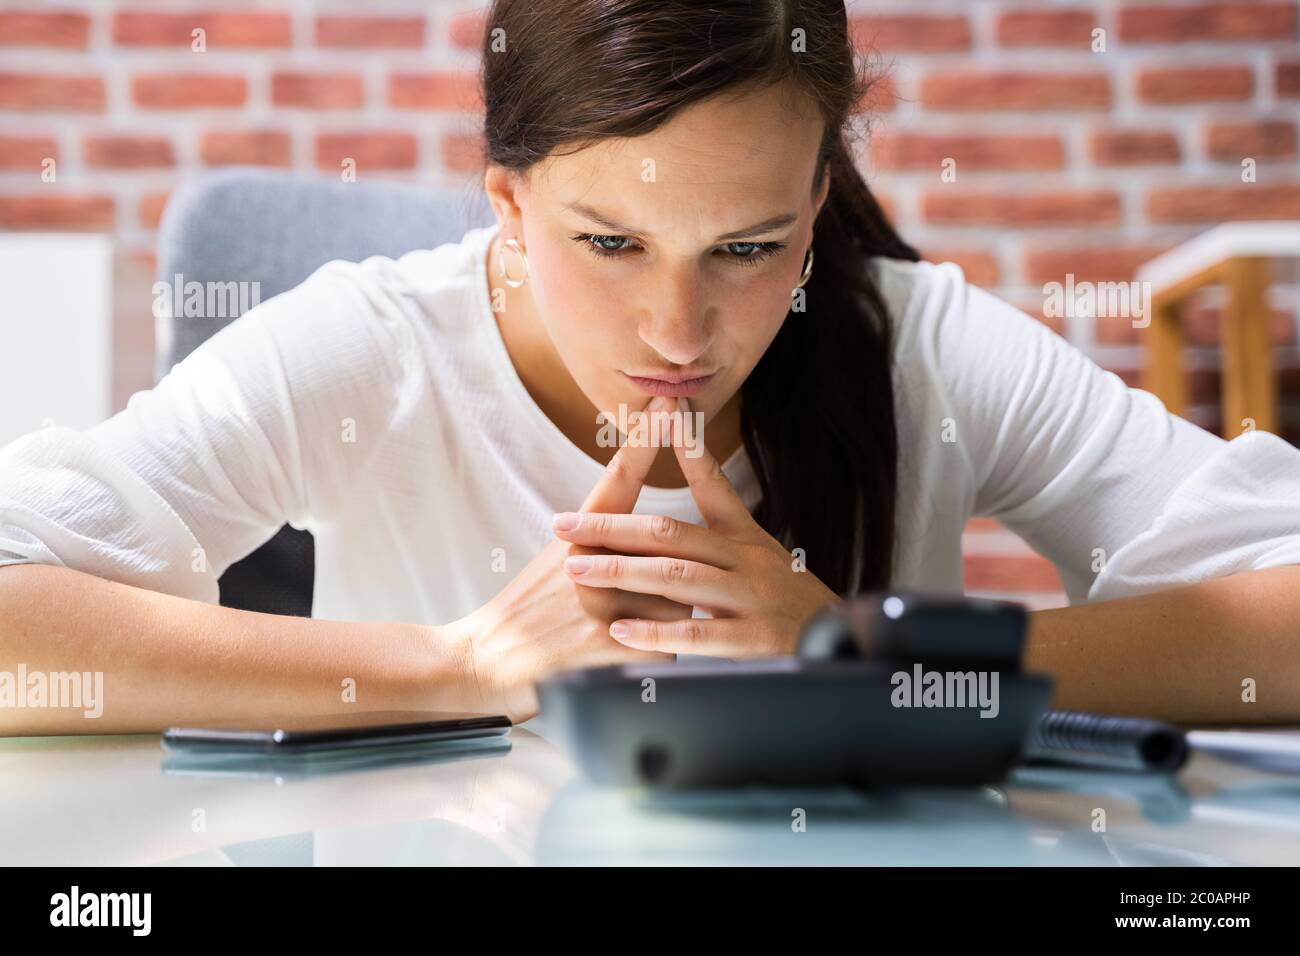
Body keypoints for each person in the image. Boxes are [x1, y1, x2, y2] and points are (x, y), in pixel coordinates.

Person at [3, 0, 1300, 735]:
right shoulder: (375, 348)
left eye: (749, 245)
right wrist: (457, 665)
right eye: (610, 242)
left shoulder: (920, 345)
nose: (680, 331)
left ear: (817, 198)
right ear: (507, 209)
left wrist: (870, 656)